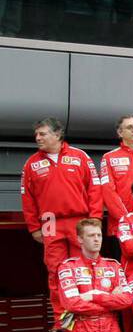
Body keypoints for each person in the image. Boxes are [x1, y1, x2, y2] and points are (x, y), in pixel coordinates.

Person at [22, 118, 101, 315]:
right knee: (56, 270)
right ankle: (62, 319)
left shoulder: (80, 156)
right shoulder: (31, 164)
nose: (37, 138)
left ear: (57, 135)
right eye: (37, 134)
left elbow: (94, 189)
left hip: (79, 220)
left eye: (42, 134)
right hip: (49, 221)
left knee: (84, 267)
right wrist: (33, 227)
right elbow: (27, 198)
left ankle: (88, 313)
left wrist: (95, 218)